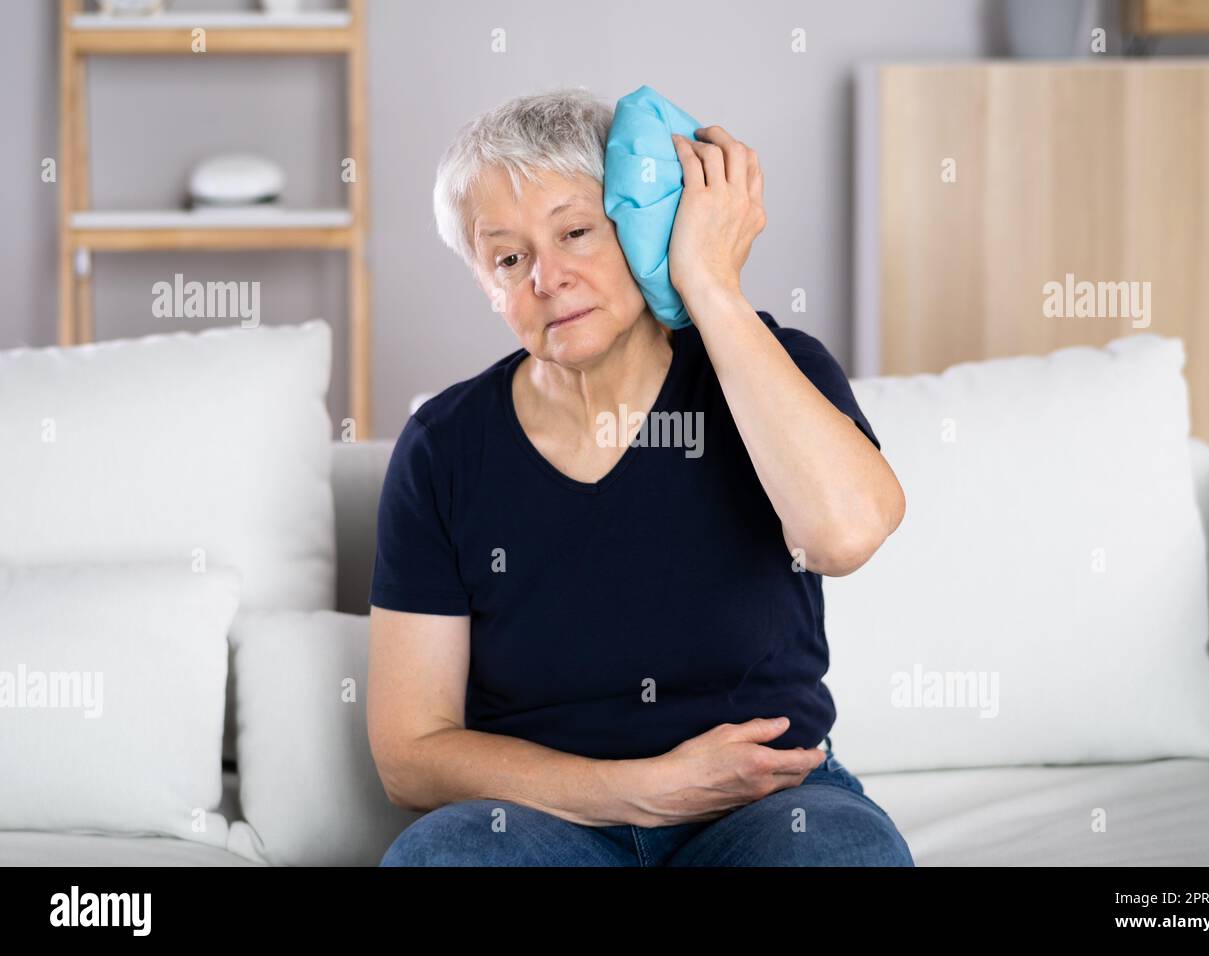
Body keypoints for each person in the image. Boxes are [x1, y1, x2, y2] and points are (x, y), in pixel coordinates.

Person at [368, 87, 911, 866]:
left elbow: (846, 533)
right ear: (486, 284)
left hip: (771, 810)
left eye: (578, 232)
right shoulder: (443, 447)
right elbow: (409, 755)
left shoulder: (768, 369)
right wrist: (644, 787)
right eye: (509, 258)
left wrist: (709, 284)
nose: (546, 278)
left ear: (639, 226)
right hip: (541, 822)